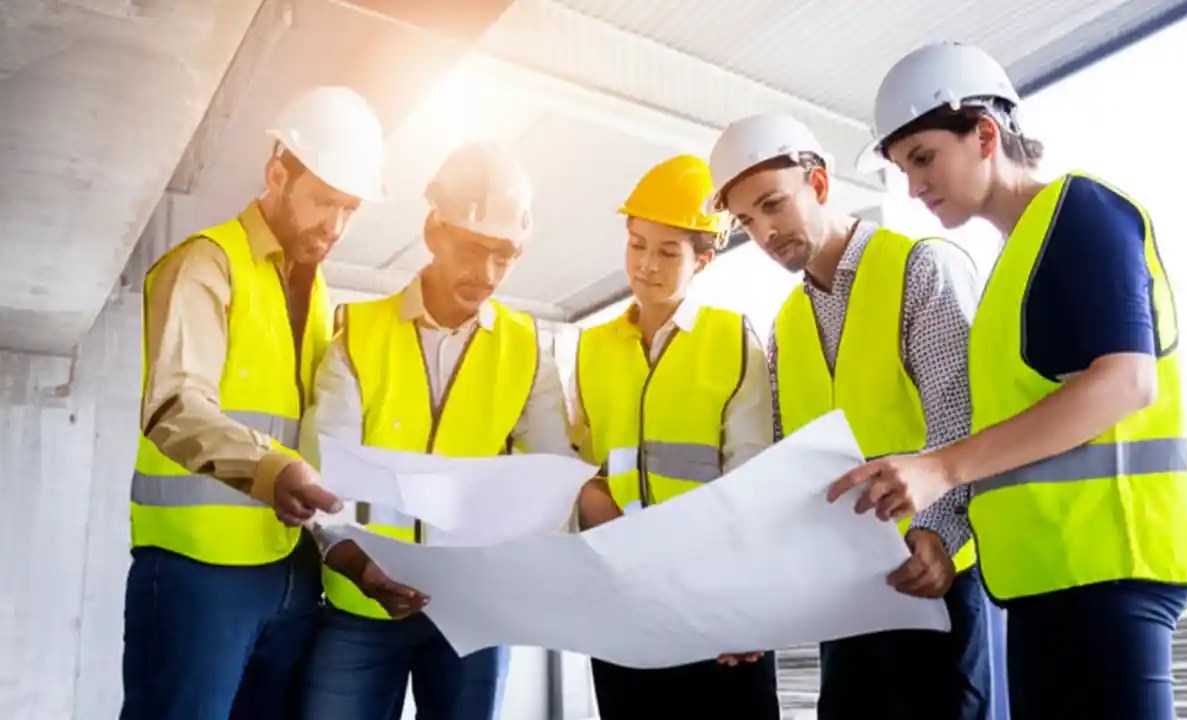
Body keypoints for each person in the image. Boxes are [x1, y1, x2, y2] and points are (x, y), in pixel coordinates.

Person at [836, 40, 1187, 719]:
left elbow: (1124, 383)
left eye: (924, 158)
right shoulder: (1013, 262)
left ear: (985, 133)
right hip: (1048, 576)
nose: (915, 186)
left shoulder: (1082, 212)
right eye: (905, 169)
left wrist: (942, 467)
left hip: (1113, 565)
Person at [709, 113, 992, 720]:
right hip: (847, 592)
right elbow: (787, 471)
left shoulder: (920, 268)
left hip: (934, 579)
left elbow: (960, 417)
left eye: (772, 205)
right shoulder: (786, 322)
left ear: (817, 184)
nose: (764, 232)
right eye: (748, 222)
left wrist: (939, 535)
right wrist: (764, 598)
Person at [122, 86, 386, 719]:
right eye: (324, 201)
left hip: (289, 572)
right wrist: (271, 469)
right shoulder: (206, 265)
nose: (336, 226)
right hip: (197, 573)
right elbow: (175, 404)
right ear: (276, 175)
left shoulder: (319, 294)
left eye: (349, 208)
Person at [296, 140, 576, 720]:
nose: (489, 275)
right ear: (433, 231)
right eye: (475, 250)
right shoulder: (359, 332)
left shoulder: (526, 351)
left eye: (506, 256)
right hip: (361, 605)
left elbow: (553, 480)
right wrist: (359, 565)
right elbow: (321, 474)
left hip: (471, 613)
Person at [569, 154, 780, 719]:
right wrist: (587, 497)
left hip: (714, 602)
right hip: (626, 605)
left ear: (704, 260)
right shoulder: (591, 350)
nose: (647, 265)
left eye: (668, 251)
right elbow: (578, 469)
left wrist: (742, 601)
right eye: (637, 244)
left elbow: (754, 484)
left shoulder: (732, 341)